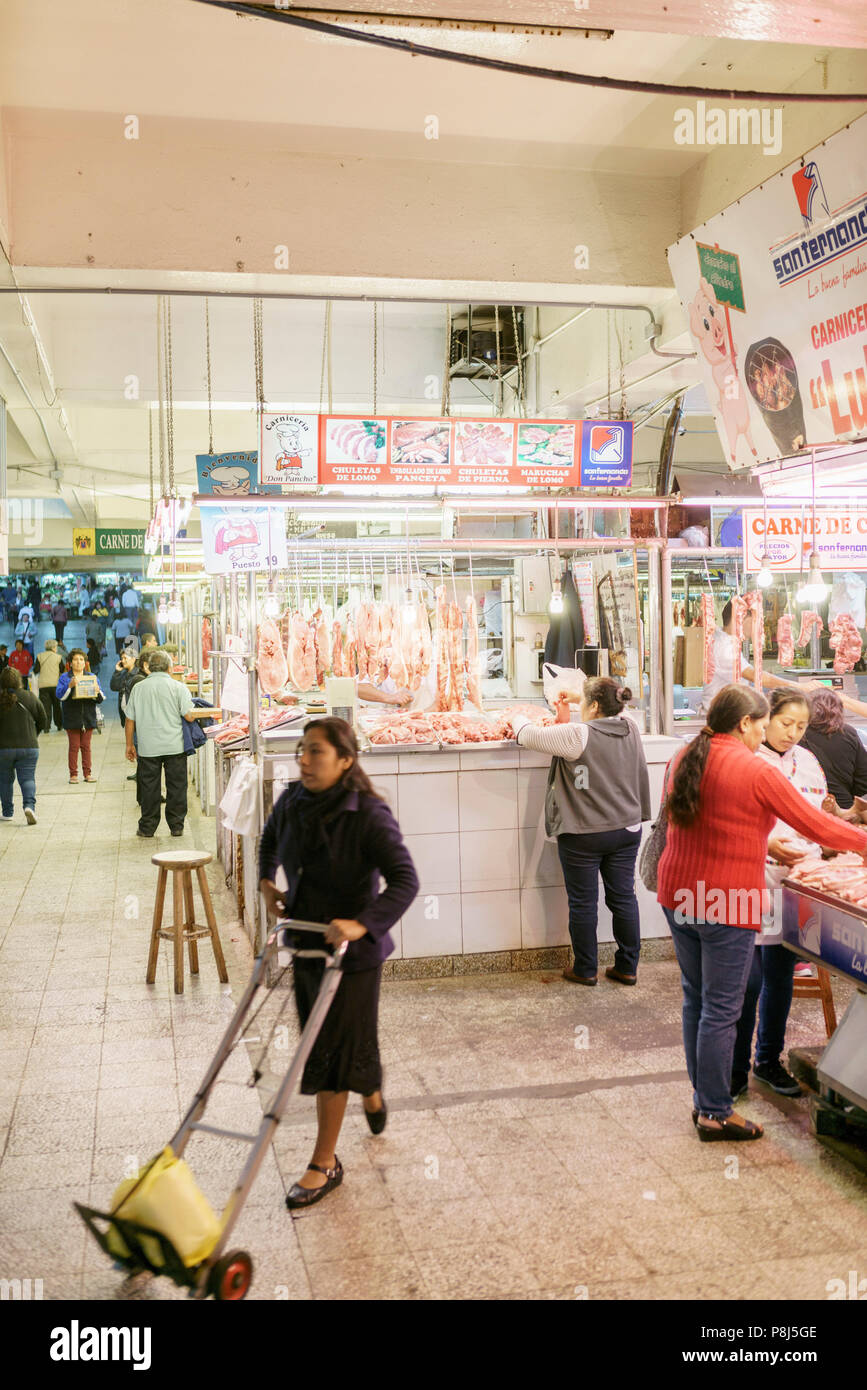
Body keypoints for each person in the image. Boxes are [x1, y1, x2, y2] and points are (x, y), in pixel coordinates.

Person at [656, 684, 867, 1143]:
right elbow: (815, 824)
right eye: (765, 725)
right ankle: (714, 1111)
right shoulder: (753, 768)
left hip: (680, 895)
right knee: (721, 1008)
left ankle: (704, 1097)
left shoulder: (686, 754)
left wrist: (760, 839)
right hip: (725, 900)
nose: (767, 734)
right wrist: (863, 842)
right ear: (746, 723)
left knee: (697, 1000)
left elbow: (702, 819)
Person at [258, 718, 419, 1208]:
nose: (304, 761)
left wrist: (361, 923)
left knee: (330, 1050)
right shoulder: (292, 800)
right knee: (332, 1042)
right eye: (302, 750)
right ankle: (370, 1088)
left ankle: (324, 1162)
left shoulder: (367, 813)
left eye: (316, 752)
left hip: (353, 956)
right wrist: (266, 881)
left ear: (345, 760)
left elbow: (405, 880)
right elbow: (269, 839)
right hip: (306, 942)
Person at [513, 677, 650, 986]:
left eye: (585, 702)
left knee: (583, 903)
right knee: (623, 898)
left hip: (585, 834)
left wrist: (515, 715)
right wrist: (578, 697)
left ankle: (586, 969)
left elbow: (527, 735)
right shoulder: (630, 727)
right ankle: (628, 967)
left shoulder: (578, 735)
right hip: (626, 830)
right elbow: (618, 708)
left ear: (595, 706)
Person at [731, 689, 827, 1102]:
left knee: (780, 977)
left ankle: (768, 1060)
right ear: (765, 718)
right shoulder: (747, 759)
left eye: (801, 726)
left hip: (794, 884)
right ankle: (733, 1069)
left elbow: (817, 818)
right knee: (747, 983)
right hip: (750, 880)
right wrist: (765, 845)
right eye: (786, 723)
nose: (793, 733)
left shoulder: (809, 762)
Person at [124, 648, 202, 837]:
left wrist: (129, 745)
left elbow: (130, 720)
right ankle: (176, 826)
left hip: (148, 748)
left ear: (149, 668)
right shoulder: (178, 687)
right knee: (177, 786)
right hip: (174, 746)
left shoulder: (138, 688)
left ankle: (147, 827)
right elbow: (189, 716)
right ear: (169, 668)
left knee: (149, 788)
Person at [699, 600, 807, 713]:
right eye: (755, 620)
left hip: (727, 713)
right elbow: (755, 676)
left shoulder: (723, 638)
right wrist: (800, 687)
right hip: (722, 717)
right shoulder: (724, 647)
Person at [800, 688, 867, 811]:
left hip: (806, 807)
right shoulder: (848, 732)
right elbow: (863, 780)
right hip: (844, 807)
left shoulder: (798, 733)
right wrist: (844, 793)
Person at [0, 666, 48, 824]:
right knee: (27, 779)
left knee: (5, 781)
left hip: (3, 749)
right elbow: (43, 720)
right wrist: (33, 734)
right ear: (19, 680)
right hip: (29, 746)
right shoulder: (29, 696)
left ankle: (7, 813)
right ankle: (29, 807)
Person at [57, 648, 105, 785]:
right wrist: (70, 686)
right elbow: (60, 696)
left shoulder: (92, 677)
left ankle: (87, 773)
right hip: (71, 718)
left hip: (88, 718)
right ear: (70, 663)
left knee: (86, 746)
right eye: (75, 659)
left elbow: (101, 698)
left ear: (85, 663)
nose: (78, 662)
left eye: (81, 659)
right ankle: (73, 774)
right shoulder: (65, 678)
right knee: (74, 746)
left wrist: (97, 691)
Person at [33, 639, 64, 732]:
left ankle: (46, 727)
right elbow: (62, 669)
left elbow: (36, 670)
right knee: (57, 706)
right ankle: (59, 725)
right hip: (55, 685)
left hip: (43, 685)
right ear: (53, 647)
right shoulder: (58, 657)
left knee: (46, 707)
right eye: (56, 647)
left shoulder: (39, 656)